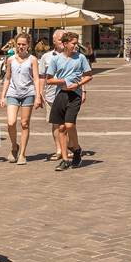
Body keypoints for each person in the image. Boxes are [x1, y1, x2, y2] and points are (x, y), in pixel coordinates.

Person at [47, 32, 93, 169]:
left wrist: (78, 85)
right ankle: (65, 159)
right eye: (73, 43)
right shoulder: (56, 59)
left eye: (76, 43)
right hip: (60, 94)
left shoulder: (81, 58)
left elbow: (89, 75)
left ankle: (76, 148)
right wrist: (64, 81)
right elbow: (49, 79)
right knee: (61, 127)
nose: (75, 46)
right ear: (65, 44)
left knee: (69, 125)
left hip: (75, 95)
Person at [3, 33, 41, 164]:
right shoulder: (10, 59)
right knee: (11, 122)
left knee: (24, 124)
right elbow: (7, 78)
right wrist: (2, 96)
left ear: (28, 45)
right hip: (13, 93)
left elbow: (36, 78)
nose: (20, 47)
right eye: (18, 44)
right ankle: (14, 146)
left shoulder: (33, 59)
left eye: (23, 44)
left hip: (28, 93)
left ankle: (22, 154)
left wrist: (38, 96)